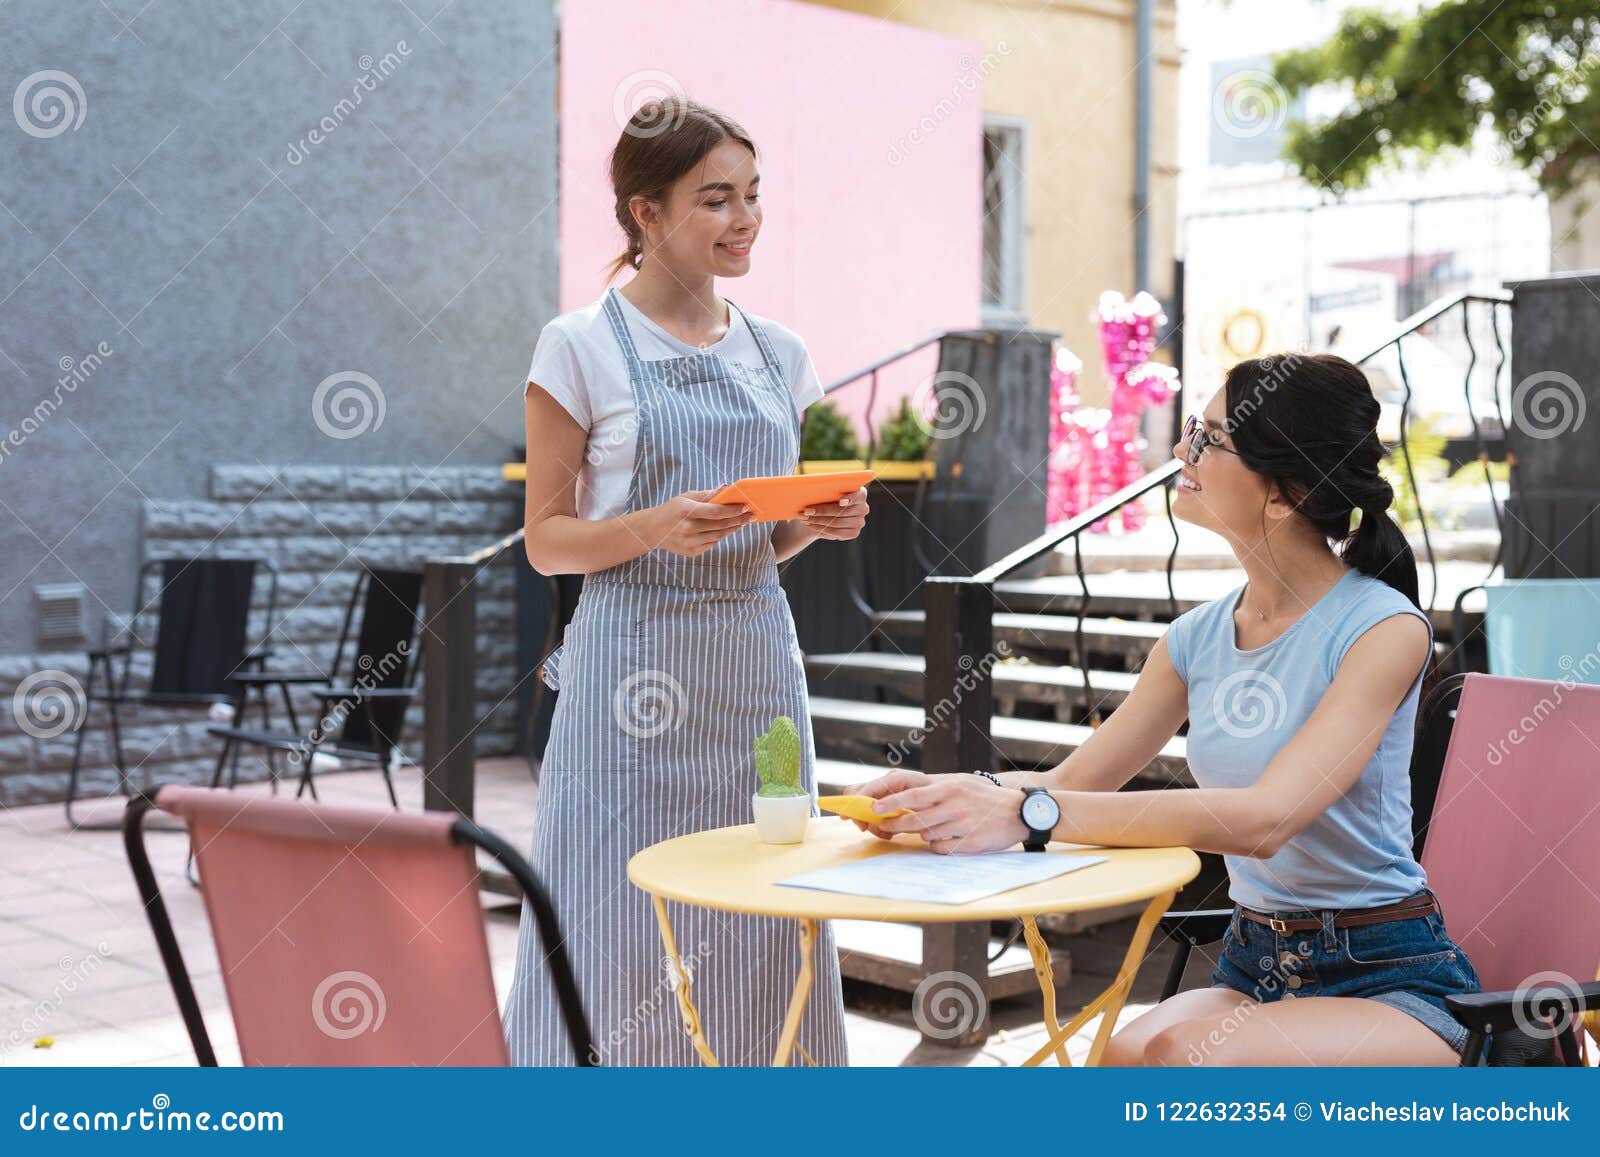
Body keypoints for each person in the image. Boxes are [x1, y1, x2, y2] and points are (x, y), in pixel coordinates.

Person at [851, 353, 1482, 1066]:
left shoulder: (1382, 628)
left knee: (1182, 1062)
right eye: (1191, 429)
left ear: (1285, 493)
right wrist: (958, 799)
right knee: (1115, 1062)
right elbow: (1073, 783)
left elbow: (1267, 817)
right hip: (1258, 963)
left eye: (1209, 438)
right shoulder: (1195, 640)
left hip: (1389, 978)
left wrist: (1033, 815)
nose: (1182, 449)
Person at [502, 98, 863, 1066]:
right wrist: (650, 525)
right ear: (645, 212)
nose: (744, 218)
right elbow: (545, 543)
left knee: (763, 907)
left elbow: (757, 540)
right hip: (628, 671)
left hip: (753, 669)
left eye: (752, 195)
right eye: (715, 198)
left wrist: (809, 524)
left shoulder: (777, 351)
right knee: (616, 911)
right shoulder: (577, 344)